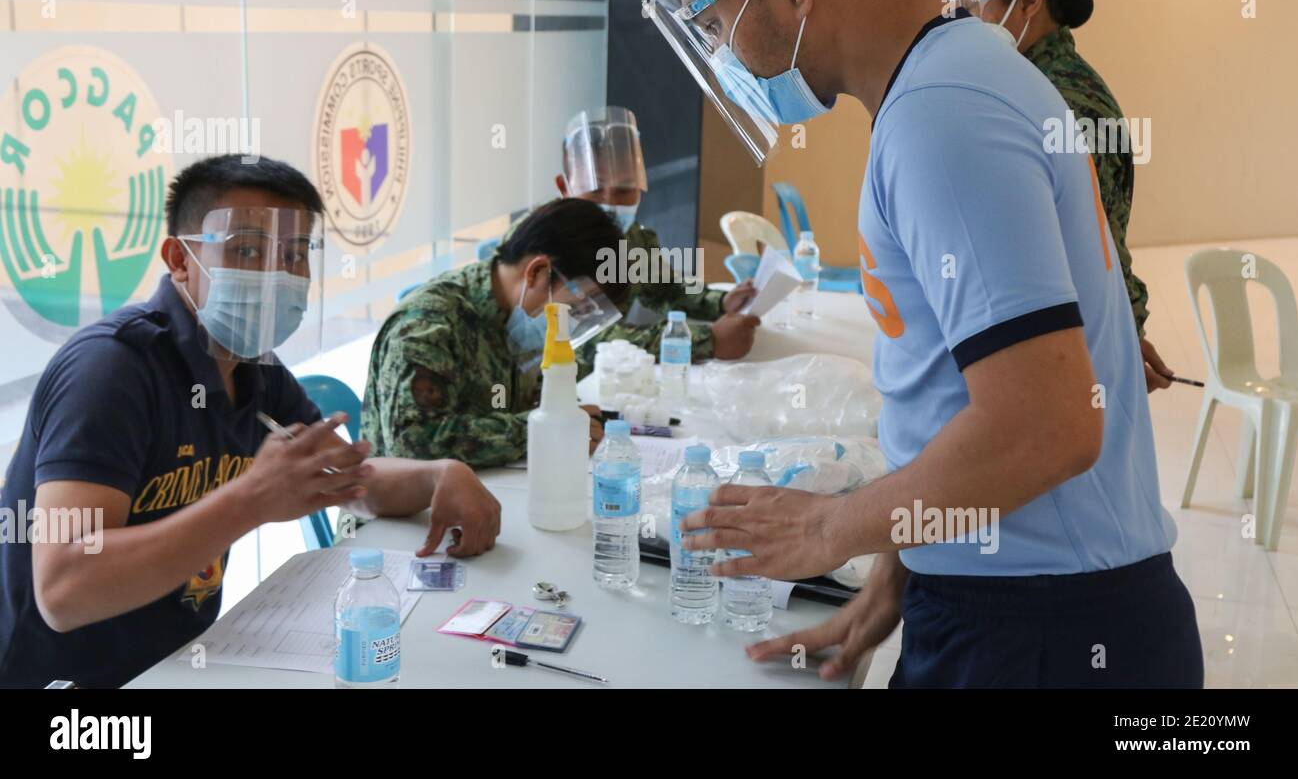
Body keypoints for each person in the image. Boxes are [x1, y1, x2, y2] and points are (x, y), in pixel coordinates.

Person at [652, 0, 1201, 688]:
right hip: (1024, 604)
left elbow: (1045, 427)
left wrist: (830, 528)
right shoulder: (950, 83)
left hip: (1045, 632)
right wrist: (890, 588)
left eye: (715, 21)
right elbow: (963, 401)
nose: (725, 54)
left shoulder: (944, 117)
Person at [0, 154, 502, 689]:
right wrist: (252, 501)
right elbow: (64, 588)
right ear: (179, 258)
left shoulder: (252, 367)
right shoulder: (111, 370)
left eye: (293, 254)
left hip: (183, 664)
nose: (275, 274)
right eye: (245, 249)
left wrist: (437, 474)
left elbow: (341, 480)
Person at [930, 0, 1172, 393]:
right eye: (943, 5)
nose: (952, 21)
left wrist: (1124, 334)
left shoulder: (1070, 104)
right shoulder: (1020, 85)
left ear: (1029, 0)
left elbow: (1097, 245)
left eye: (967, 3)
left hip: (1074, 358)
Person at [360, 198, 627, 469]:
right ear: (537, 272)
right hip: (404, 508)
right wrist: (541, 429)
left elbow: (527, 403)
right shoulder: (429, 324)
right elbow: (414, 443)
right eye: (580, 307)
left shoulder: (520, 320)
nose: (575, 321)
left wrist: (567, 415)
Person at [554, 106, 760, 365]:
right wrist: (706, 340)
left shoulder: (632, 240)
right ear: (565, 188)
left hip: (603, 381)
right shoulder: (550, 246)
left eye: (624, 190)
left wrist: (719, 302)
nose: (610, 204)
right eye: (595, 193)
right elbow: (591, 339)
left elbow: (665, 289)